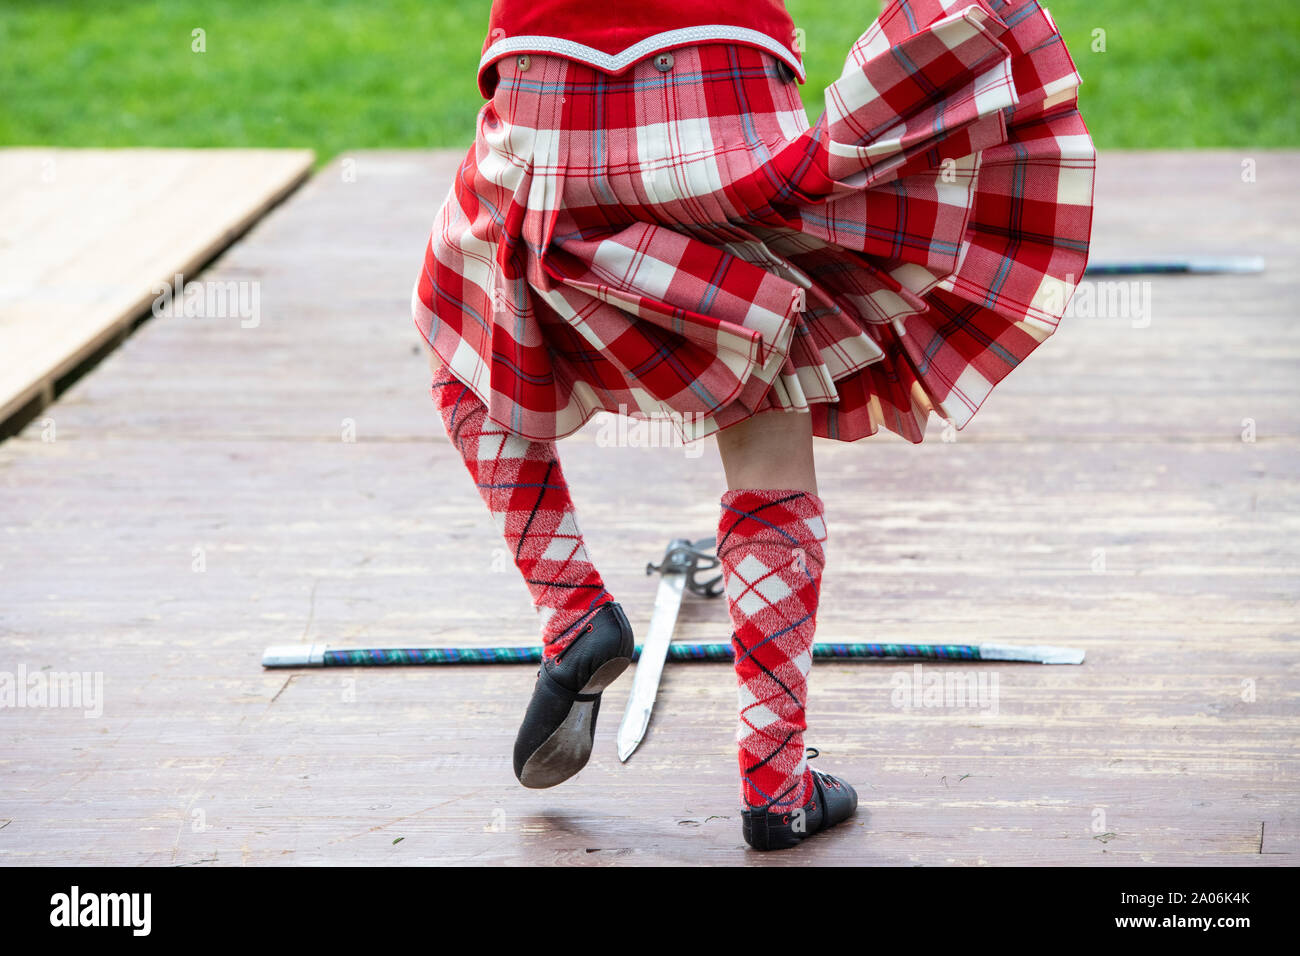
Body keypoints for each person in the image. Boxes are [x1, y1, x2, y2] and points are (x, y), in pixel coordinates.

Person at [412, 0, 1095, 851]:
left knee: (469, 314)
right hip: (728, 70)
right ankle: (775, 784)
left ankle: (572, 612)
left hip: (550, 75)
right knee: (764, 372)